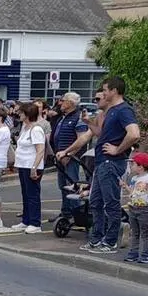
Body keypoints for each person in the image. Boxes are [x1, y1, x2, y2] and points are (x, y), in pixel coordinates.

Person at [62, 76, 140, 253]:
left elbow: (134, 134)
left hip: (111, 162)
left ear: (114, 91)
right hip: (102, 162)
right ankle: (96, 238)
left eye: (105, 90)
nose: (103, 94)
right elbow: (102, 134)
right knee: (96, 202)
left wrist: (117, 149)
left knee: (110, 202)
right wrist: (89, 123)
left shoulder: (123, 110)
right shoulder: (112, 110)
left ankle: (110, 241)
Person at [52, 93, 88, 221]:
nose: (60, 103)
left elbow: (81, 139)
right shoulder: (64, 117)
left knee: (73, 186)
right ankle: (66, 213)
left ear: (71, 103)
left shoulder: (78, 118)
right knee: (63, 186)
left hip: (71, 158)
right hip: (61, 156)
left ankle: (77, 214)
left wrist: (70, 154)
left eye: (63, 100)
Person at [11, 102, 46, 233]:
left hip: (31, 165)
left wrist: (34, 167)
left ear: (27, 114)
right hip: (23, 165)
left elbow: (40, 150)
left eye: (21, 112)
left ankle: (35, 223)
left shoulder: (36, 130)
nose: (19, 114)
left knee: (32, 195)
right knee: (25, 194)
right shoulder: (25, 128)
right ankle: (26, 220)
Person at [121, 152, 148, 264]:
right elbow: (133, 192)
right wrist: (125, 186)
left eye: (133, 164)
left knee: (144, 232)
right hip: (133, 207)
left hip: (144, 208)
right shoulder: (134, 178)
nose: (131, 166)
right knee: (134, 232)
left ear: (140, 166)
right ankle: (133, 253)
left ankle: (146, 254)